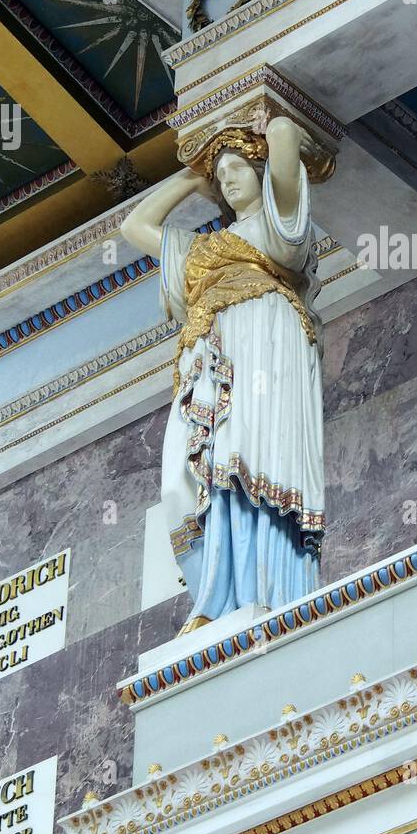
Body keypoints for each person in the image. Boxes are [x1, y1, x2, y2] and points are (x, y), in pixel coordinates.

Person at [121, 112, 325, 634]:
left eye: (238, 167)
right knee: (188, 478)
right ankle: (218, 590)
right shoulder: (203, 250)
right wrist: (196, 173)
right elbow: (134, 227)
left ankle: (267, 589)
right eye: (223, 174)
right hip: (209, 362)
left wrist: (268, 126)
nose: (229, 178)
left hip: (265, 344)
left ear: (261, 170)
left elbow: (284, 137)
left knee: (249, 460)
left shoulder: (280, 225)